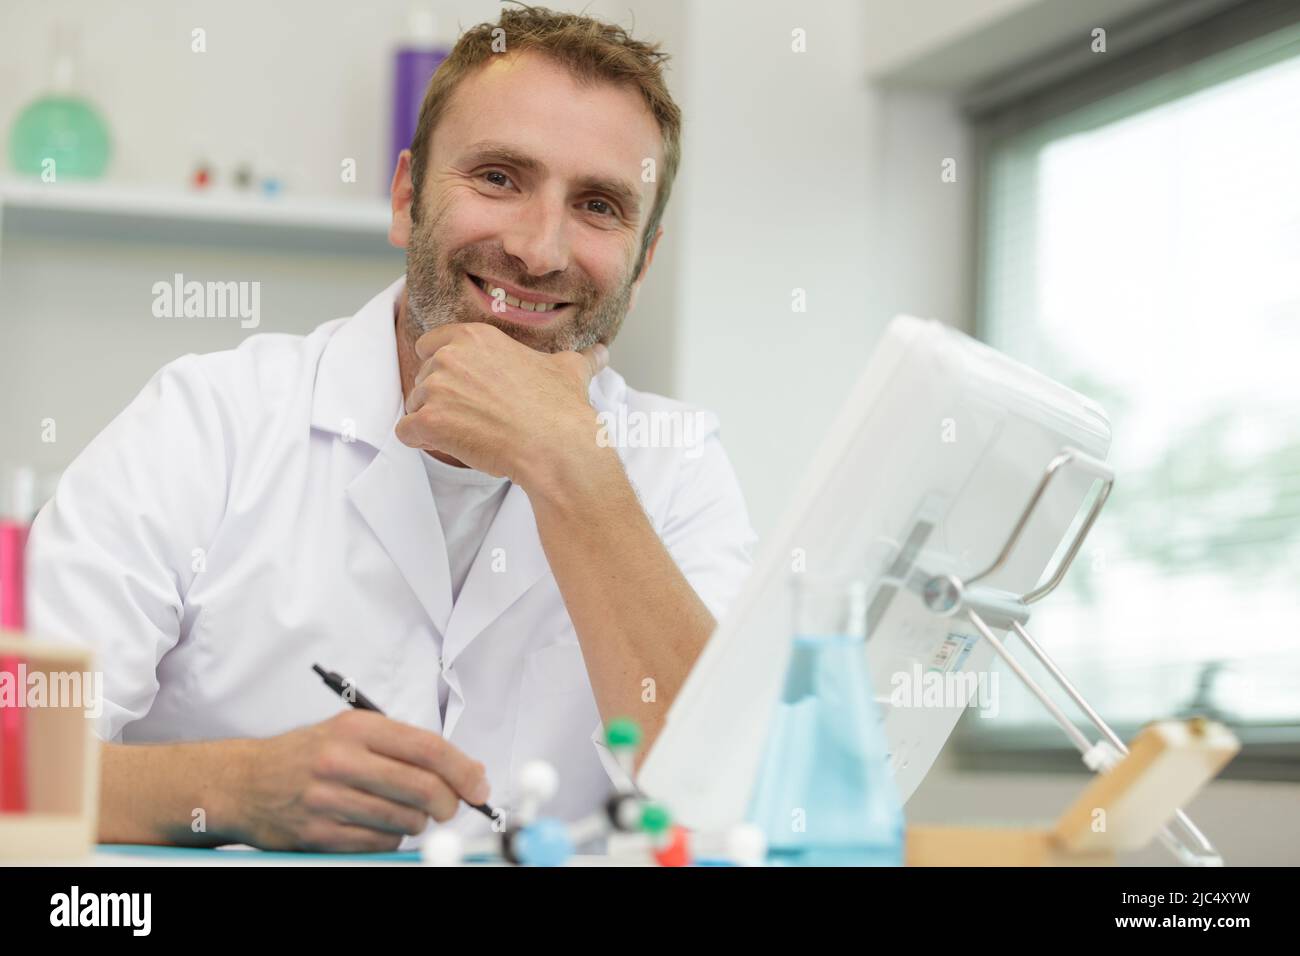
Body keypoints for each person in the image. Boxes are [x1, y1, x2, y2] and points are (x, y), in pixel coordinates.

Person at [26, 5, 756, 852]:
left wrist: (570, 465)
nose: (539, 249)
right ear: (408, 198)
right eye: (498, 178)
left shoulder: (678, 469)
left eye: (598, 205)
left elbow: (739, 803)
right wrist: (234, 788)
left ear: (644, 258)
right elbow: (13, 765)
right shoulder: (209, 423)